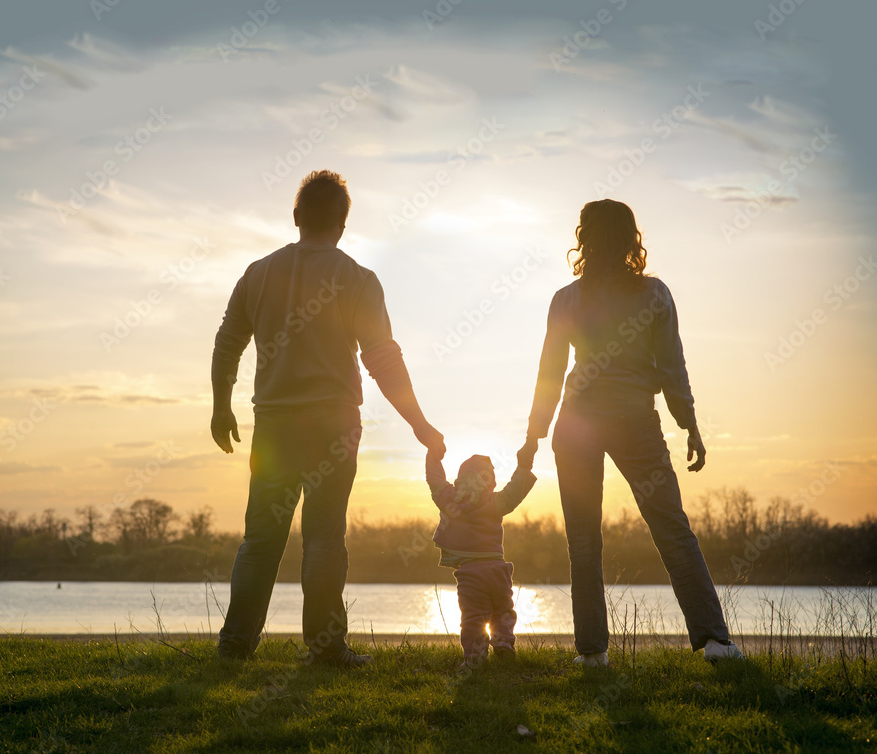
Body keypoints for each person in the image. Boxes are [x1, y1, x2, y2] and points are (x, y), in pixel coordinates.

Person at [211, 170, 445, 667]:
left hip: (273, 426)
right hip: (333, 426)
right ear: (342, 223)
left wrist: (220, 405)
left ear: (296, 217)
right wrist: (419, 424)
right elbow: (382, 359)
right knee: (323, 538)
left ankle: (234, 646)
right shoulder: (358, 279)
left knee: (260, 539)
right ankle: (324, 649)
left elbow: (228, 343)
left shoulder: (257, 273)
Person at [519, 199, 743, 666]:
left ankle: (592, 653)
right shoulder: (654, 295)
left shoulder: (566, 299)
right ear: (630, 239)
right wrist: (689, 423)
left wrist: (534, 435)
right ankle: (716, 643)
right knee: (672, 529)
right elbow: (672, 365)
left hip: (576, 425)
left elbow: (550, 374)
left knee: (584, 541)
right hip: (634, 422)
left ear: (584, 239)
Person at [426, 445, 536, 669]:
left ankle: (475, 657)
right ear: (490, 482)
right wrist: (524, 467)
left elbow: (435, 480)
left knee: (474, 617)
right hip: (498, 569)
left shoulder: (450, 499)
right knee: (503, 610)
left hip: (470, 573)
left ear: (460, 479)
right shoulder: (495, 501)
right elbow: (516, 490)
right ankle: (503, 642)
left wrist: (433, 453)